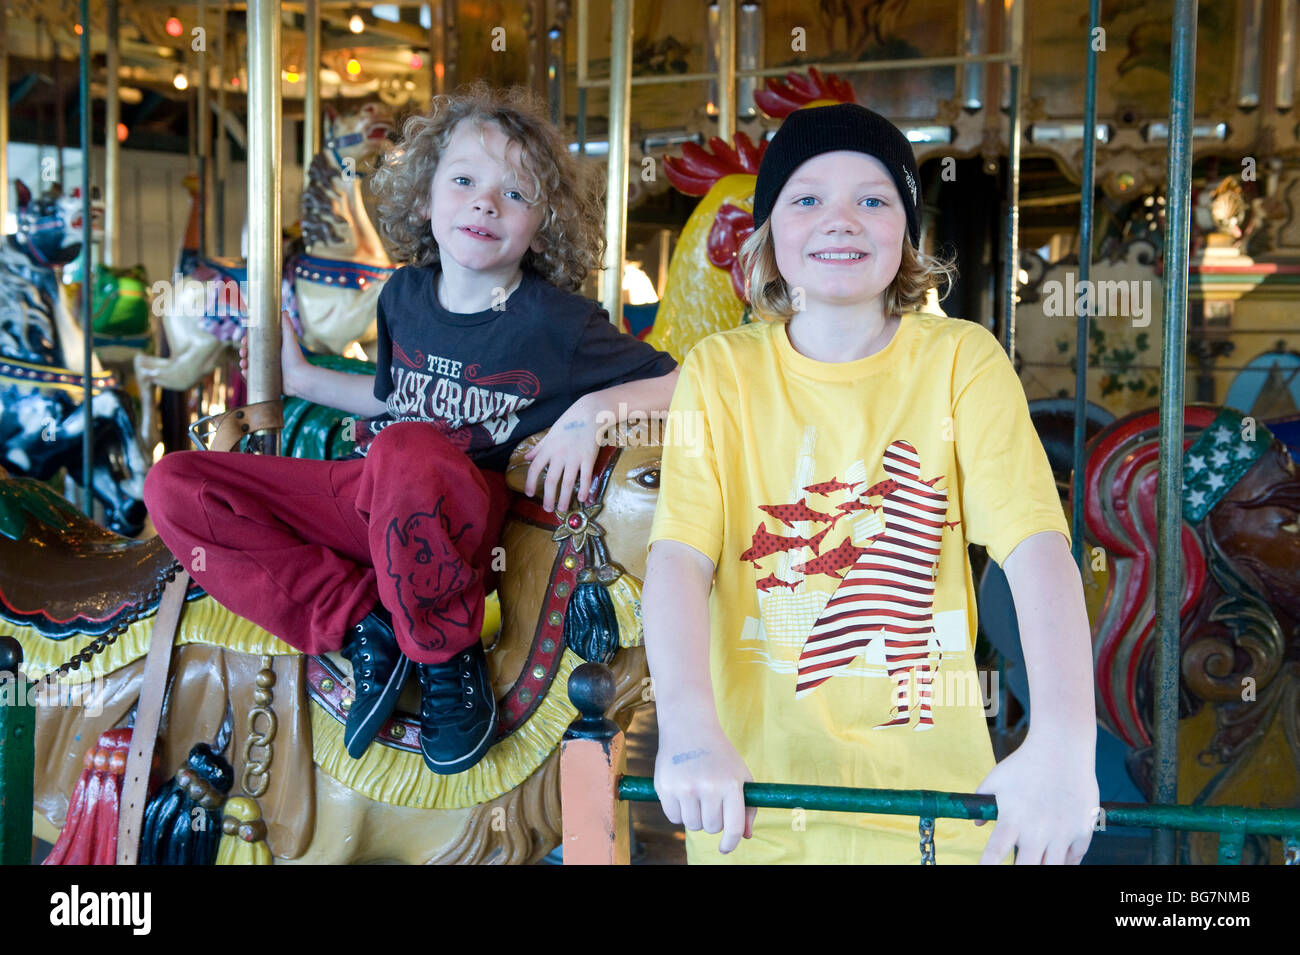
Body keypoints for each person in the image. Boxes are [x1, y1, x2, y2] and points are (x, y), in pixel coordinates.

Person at [145, 84, 678, 776]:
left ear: (544, 226)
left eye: (515, 194)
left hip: (463, 510)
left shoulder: (556, 323)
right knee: (177, 483)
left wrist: (589, 414)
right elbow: (395, 401)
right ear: (424, 198)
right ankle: (361, 620)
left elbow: (682, 381)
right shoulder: (403, 294)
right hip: (374, 491)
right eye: (464, 181)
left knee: (408, 450)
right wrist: (302, 379)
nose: (486, 202)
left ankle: (445, 655)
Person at [643, 103, 1098, 864]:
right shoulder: (719, 371)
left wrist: (1063, 734)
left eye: (873, 198)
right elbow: (679, 557)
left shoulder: (961, 359)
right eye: (808, 198)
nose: (840, 219)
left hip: (931, 806)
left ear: (907, 235)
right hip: (757, 801)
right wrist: (689, 729)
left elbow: (1035, 544)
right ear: (769, 236)